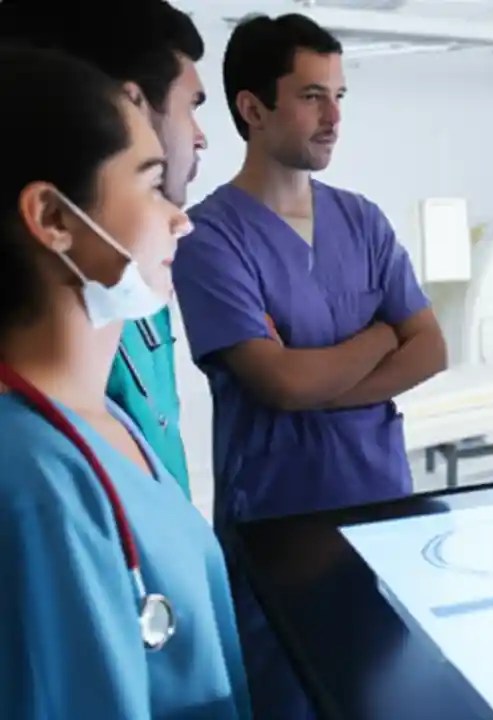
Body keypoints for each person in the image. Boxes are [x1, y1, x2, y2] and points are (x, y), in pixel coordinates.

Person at [170, 13, 446, 718]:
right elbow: (279, 384)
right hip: (280, 531)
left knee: (383, 694)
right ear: (253, 109)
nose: (333, 118)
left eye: (340, 97)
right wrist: (382, 334)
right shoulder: (209, 239)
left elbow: (432, 349)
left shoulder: (365, 221)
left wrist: (312, 379)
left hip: (383, 514)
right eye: (312, 96)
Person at [0, 43, 249, 718]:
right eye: (148, 183)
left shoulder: (100, 423)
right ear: (54, 220)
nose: (180, 217)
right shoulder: (33, 485)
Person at [0, 0, 209, 499]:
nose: (199, 137)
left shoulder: (129, 283)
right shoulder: (30, 458)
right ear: (131, 101)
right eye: (192, 106)